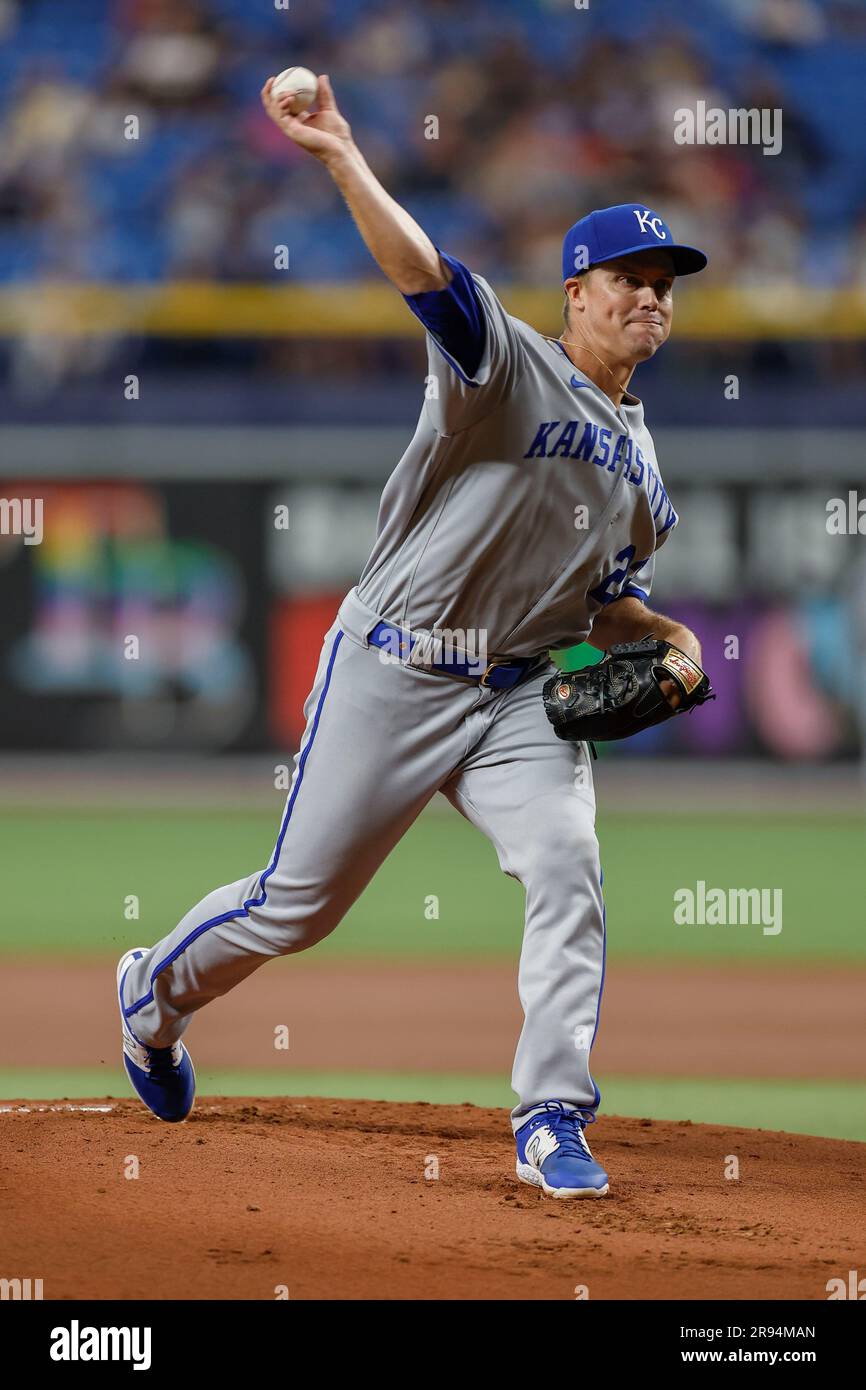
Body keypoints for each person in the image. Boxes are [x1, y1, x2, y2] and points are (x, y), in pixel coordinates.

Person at [116, 74, 708, 1200]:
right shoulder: (507, 367)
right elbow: (422, 276)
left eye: (663, 283)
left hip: (519, 696)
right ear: (575, 291)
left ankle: (548, 1116)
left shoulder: (646, 476)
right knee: (298, 905)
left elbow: (599, 605)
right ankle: (150, 995)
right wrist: (339, 151)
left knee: (566, 861)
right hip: (395, 662)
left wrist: (667, 634)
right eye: (628, 277)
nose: (648, 295)